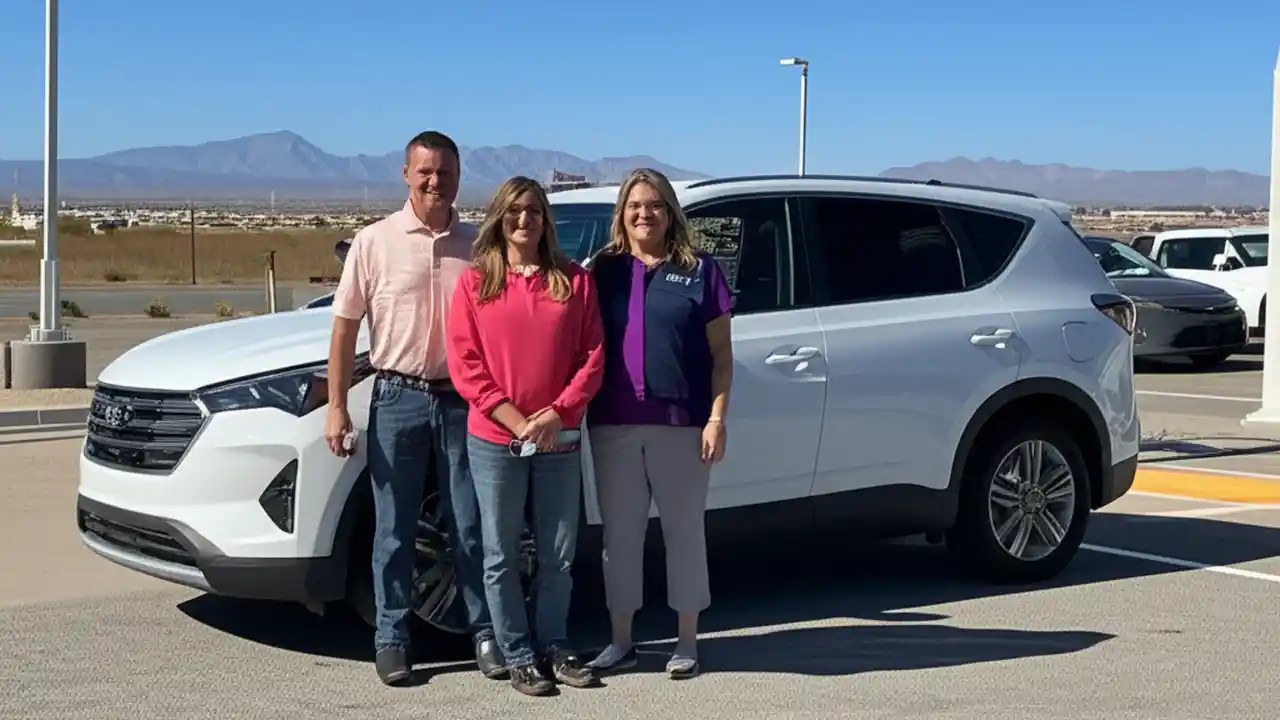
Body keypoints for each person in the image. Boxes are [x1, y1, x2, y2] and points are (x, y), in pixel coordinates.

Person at [324, 130, 500, 686]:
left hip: (461, 401)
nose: (434, 182)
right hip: (396, 396)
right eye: (424, 172)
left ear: (457, 177)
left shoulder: (478, 247)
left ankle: (485, 634)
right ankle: (392, 639)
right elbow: (344, 327)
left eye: (444, 172)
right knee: (393, 527)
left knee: (470, 524)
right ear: (406, 174)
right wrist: (336, 407)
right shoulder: (374, 242)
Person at [447, 175, 606, 697]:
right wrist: (519, 423)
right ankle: (517, 652)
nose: (524, 220)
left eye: (534, 211)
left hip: (559, 438)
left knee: (559, 551)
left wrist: (555, 416)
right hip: (496, 440)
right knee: (500, 552)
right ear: (500, 217)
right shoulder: (476, 283)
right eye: (514, 211)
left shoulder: (574, 281)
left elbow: (592, 358)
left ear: (545, 219)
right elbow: (466, 366)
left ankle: (555, 644)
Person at [583, 167, 733, 679]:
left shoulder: (700, 271)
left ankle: (687, 641)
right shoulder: (602, 270)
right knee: (619, 537)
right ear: (621, 215)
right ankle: (621, 641)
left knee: (683, 532)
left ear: (670, 213)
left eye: (654, 205)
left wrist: (717, 417)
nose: (643, 214)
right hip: (613, 425)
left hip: (681, 423)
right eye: (634, 206)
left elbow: (721, 354)